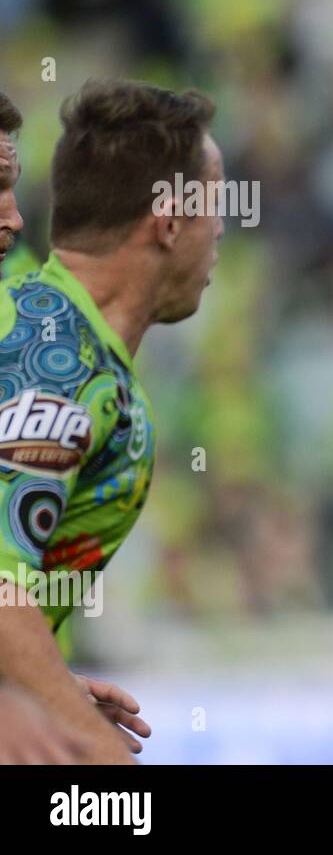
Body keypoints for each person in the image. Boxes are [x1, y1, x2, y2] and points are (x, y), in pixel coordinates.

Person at [0, 80, 223, 763]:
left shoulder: (66, 342)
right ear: (170, 220)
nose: (222, 231)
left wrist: (43, 691)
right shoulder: (57, 365)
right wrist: (103, 759)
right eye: (216, 206)